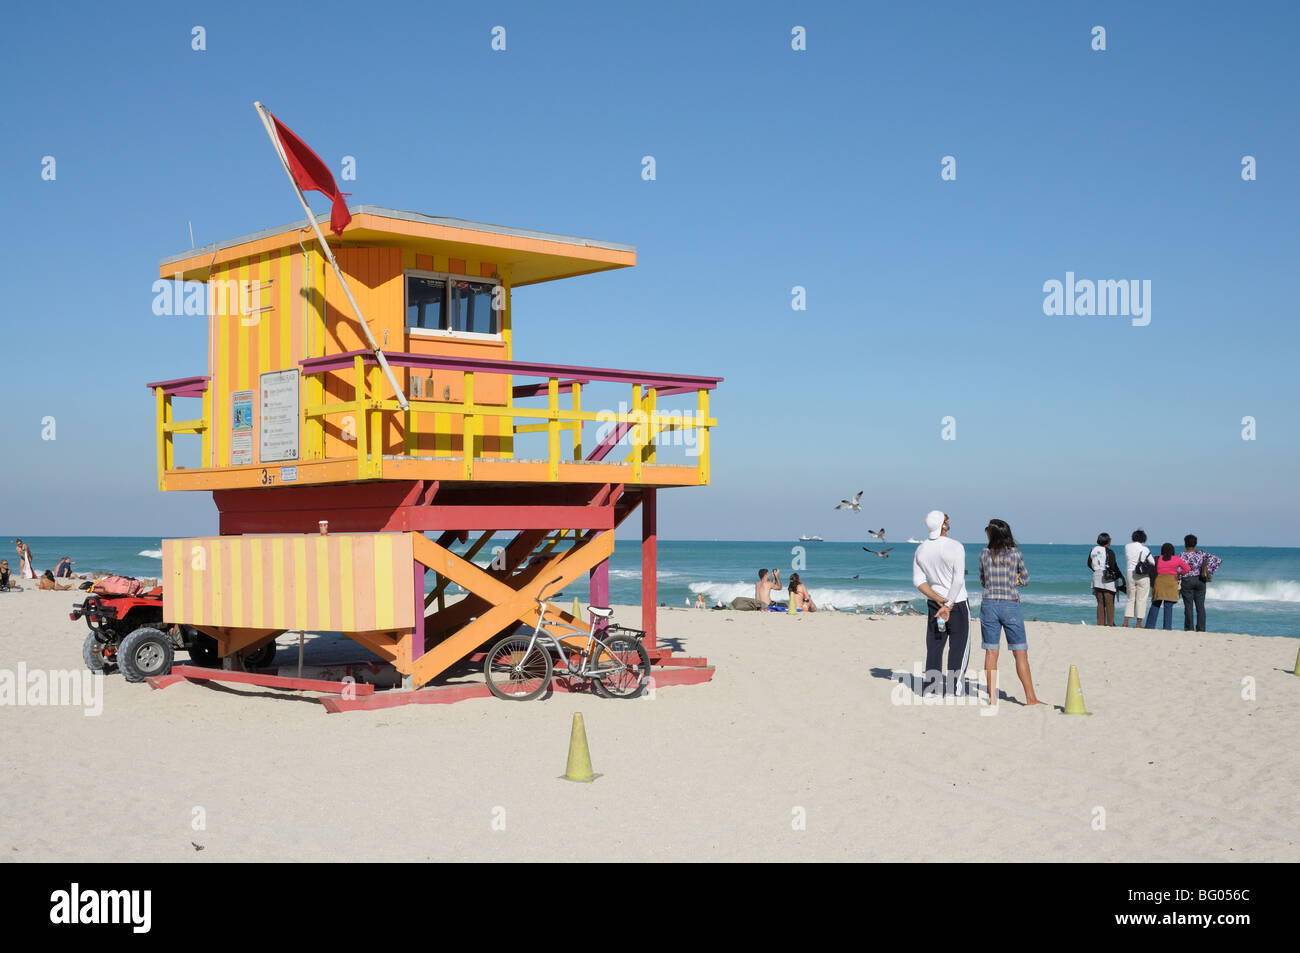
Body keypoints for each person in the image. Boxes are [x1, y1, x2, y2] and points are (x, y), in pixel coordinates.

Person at [978, 519, 1044, 706]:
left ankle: (992, 698)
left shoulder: (984, 553)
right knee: (1020, 653)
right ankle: (1030, 698)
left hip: (989, 603)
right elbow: (1026, 579)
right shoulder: (1015, 553)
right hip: (1010, 604)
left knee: (991, 652)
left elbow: (983, 580)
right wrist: (1016, 579)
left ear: (993, 533)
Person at [912, 510, 970, 697]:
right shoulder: (955, 546)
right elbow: (958, 580)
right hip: (957, 602)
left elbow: (919, 581)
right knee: (958, 646)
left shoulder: (921, 549)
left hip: (934, 604)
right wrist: (948, 604)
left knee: (935, 645)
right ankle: (954, 689)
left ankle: (931, 689)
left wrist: (937, 599)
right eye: (946, 519)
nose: (949, 520)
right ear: (942, 525)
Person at [1178, 534, 1221, 632]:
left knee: (1188, 606)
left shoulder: (1181, 555)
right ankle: (1201, 629)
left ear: (1185, 543)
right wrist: (1208, 571)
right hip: (1200, 580)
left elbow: (1179, 570)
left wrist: (1178, 580)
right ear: (1195, 543)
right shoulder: (1201, 553)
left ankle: (1189, 628)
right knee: (1200, 606)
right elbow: (1217, 560)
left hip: (1187, 581)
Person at [1146, 543, 1190, 630]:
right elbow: (1187, 569)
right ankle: (1167, 628)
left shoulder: (1157, 558)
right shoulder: (1177, 559)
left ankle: (1149, 626)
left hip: (1159, 583)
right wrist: (1178, 573)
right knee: (1168, 606)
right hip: (1171, 583)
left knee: (1155, 604)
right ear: (1172, 551)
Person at [1088, 533, 1121, 626]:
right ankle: (1110, 624)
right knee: (1109, 602)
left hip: (1096, 577)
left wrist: (1096, 569)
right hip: (1107, 579)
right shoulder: (1109, 551)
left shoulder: (1093, 550)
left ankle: (1100, 623)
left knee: (1100, 603)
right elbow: (1113, 565)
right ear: (1107, 541)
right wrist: (1120, 576)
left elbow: (1088, 563)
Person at [1122, 529, 1153, 628]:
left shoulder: (1127, 547)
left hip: (1130, 573)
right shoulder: (1145, 549)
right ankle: (1138, 623)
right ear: (1143, 538)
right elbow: (1153, 562)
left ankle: (1126, 622)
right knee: (1141, 599)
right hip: (1142, 575)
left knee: (1130, 598)